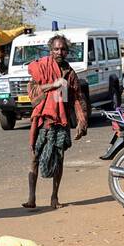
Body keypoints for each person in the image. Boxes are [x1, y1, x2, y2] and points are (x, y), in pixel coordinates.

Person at [23, 33, 89, 210]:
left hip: (62, 121)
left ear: (67, 51)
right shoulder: (41, 67)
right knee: (35, 158)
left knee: (59, 158)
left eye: (63, 49)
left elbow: (77, 97)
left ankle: (54, 197)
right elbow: (33, 91)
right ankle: (31, 198)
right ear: (50, 50)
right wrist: (53, 85)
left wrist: (82, 121)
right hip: (43, 120)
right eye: (56, 49)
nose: (59, 52)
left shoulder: (70, 73)